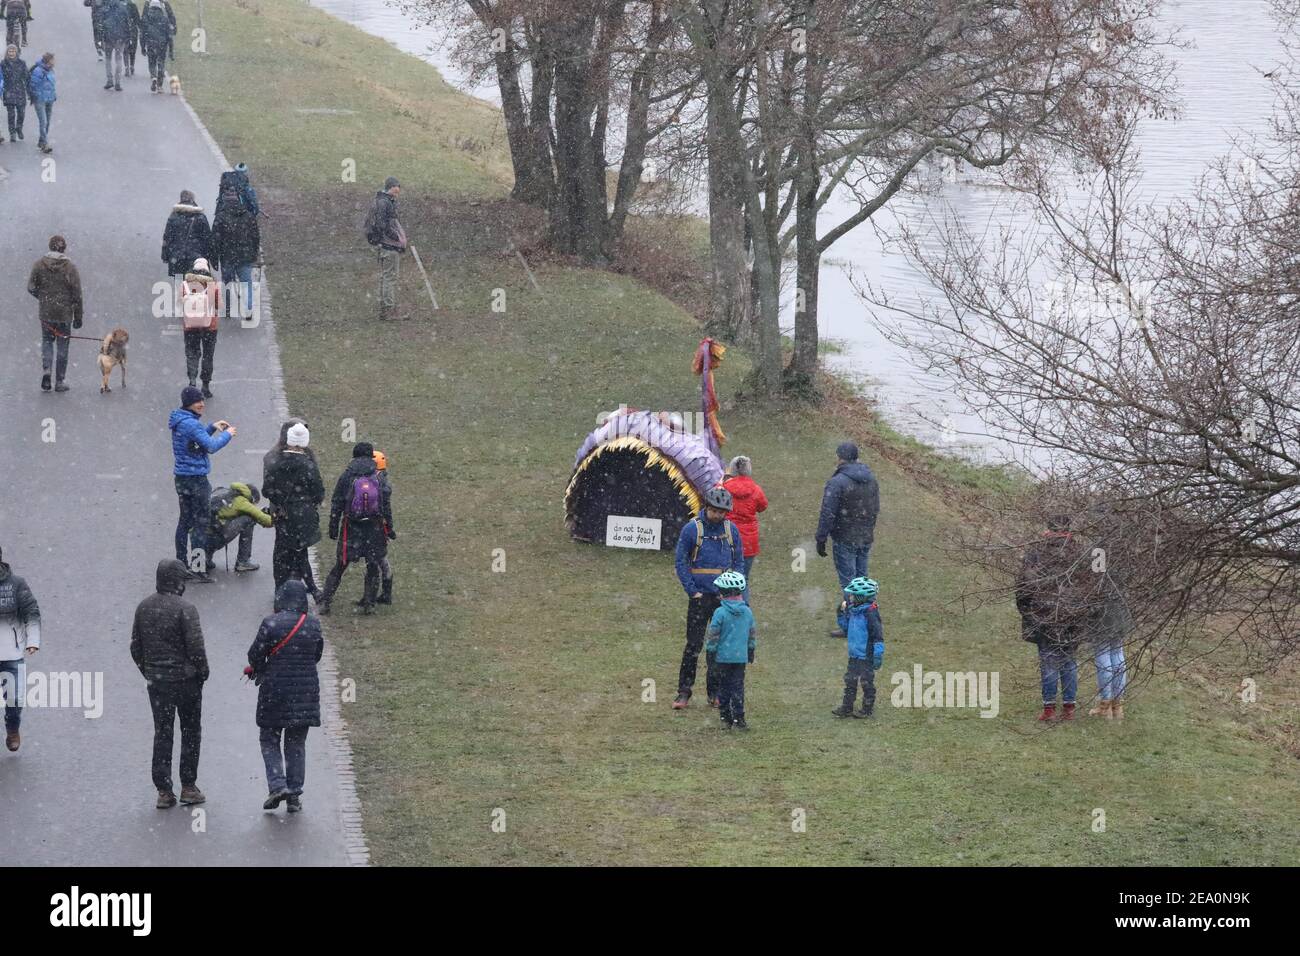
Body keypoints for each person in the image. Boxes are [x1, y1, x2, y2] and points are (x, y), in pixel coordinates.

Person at [130, 559, 208, 808]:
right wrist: (202, 672)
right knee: (191, 731)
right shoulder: (186, 608)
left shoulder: (143, 607)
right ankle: (188, 786)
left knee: (163, 733)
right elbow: (196, 648)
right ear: (177, 581)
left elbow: (135, 647)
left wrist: (149, 671)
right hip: (186, 681)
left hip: (158, 683)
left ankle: (164, 790)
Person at [247, 580, 323, 813]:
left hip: (274, 692)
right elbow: (316, 656)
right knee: (296, 743)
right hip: (305, 694)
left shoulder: (271, 623)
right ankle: (294, 795)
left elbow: (254, 655)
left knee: (269, 738)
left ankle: (277, 784)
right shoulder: (313, 625)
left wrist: (259, 667)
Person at [671, 486, 744, 710]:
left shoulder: (732, 531)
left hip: (723, 600)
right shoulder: (691, 530)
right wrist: (693, 591)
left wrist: (734, 592)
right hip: (699, 598)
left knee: (718, 647)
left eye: (723, 512)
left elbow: (739, 562)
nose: (719, 516)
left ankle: (715, 693)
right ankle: (684, 692)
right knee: (693, 645)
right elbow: (681, 562)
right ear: (706, 507)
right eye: (715, 511)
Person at [1016, 514, 1088, 721]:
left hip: (1043, 614)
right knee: (1068, 661)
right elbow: (1091, 585)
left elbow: (1023, 584)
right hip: (1073, 615)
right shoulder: (1081, 552)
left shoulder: (1035, 553)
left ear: (1048, 530)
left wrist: (1026, 610)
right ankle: (1069, 708)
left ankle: (1049, 709)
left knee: (1048, 660)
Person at [169, 385, 235, 582]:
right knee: (199, 524)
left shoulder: (180, 420)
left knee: (184, 521)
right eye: (199, 401)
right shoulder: (191, 425)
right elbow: (210, 446)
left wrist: (212, 428)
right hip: (197, 480)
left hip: (181, 478)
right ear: (189, 403)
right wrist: (227, 434)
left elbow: (194, 443)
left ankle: (181, 564)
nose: (202, 405)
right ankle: (198, 567)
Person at [318, 442, 393, 615]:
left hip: (350, 527)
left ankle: (326, 602)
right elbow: (385, 505)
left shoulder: (347, 475)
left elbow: (337, 502)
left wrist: (333, 527)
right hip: (374, 527)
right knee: (373, 566)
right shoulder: (377, 476)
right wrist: (389, 528)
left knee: (340, 565)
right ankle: (369, 604)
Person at [815, 441, 881, 637]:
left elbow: (828, 512)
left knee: (849, 583)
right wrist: (868, 529)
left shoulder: (837, 482)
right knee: (863, 580)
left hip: (845, 537)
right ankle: (869, 620)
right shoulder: (871, 479)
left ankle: (854, 625)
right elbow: (875, 508)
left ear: (840, 458)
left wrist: (821, 538)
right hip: (865, 536)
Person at [263, 422, 324, 600]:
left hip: (283, 514)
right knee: (300, 551)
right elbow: (318, 493)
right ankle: (312, 589)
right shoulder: (309, 465)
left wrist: (279, 501)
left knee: (281, 553)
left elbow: (267, 490)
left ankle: (280, 589)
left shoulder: (273, 460)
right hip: (304, 515)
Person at [26, 234, 83, 393]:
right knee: (63, 346)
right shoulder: (70, 267)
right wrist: (78, 316)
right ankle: (59, 381)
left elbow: (30, 287)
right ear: (64, 248)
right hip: (64, 314)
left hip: (46, 313)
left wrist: (42, 297)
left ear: (50, 247)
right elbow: (77, 293)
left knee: (47, 342)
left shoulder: (39, 265)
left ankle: (46, 370)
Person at [0, 545, 41, 753]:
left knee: (14, 699)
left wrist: (33, 640)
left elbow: (31, 611)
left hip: (11, 653)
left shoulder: (16, 585)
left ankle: (13, 729)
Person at [704, 571, 755, 730]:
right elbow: (751, 633)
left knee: (724, 688)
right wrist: (751, 649)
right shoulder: (747, 611)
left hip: (722, 658)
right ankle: (740, 718)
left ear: (724, 593)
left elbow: (713, 636)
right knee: (738, 687)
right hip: (740, 658)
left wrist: (710, 652)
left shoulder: (720, 612)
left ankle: (726, 717)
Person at [831, 577, 883, 719]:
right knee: (850, 681)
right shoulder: (854, 611)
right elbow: (846, 629)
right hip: (854, 655)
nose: (850, 597)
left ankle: (867, 709)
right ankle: (847, 708)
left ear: (862, 597)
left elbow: (878, 636)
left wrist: (878, 654)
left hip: (866, 656)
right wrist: (840, 614)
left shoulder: (870, 614)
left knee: (867, 683)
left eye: (853, 595)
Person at [211, 180, 260, 320]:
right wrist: (254, 253)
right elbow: (255, 237)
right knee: (246, 284)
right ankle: (248, 309)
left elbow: (215, 240)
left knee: (227, 283)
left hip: (227, 257)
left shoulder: (220, 217)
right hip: (245, 256)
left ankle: (227, 309)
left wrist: (214, 259)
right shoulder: (248, 216)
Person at [722, 455, 767, 604]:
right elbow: (762, 506)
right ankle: (744, 614)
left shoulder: (724, 488)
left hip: (728, 537)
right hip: (749, 541)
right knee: (743, 579)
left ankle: (726, 610)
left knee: (725, 576)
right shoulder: (756, 489)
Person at [364, 176, 408, 320]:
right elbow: (384, 225)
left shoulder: (379, 201)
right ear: (390, 187)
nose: (397, 193)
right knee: (390, 278)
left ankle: (385, 310)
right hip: (389, 246)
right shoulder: (386, 203)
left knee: (385, 278)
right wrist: (397, 238)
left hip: (382, 246)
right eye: (395, 190)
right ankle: (389, 310)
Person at [1087, 576, 1131, 720]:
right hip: (1120, 604)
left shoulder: (1098, 553)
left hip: (1104, 609)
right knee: (1117, 652)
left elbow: (1096, 581)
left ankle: (1105, 706)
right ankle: (1117, 706)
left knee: (1103, 652)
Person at [205, 482, 271, 574]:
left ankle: (206, 557)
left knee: (217, 522)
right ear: (251, 498)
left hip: (200, 537)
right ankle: (243, 562)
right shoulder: (242, 501)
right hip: (215, 538)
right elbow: (266, 521)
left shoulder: (223, 491)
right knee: (249, 519)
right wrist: (278, 518)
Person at [179, 256, 220, 395]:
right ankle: (206, 385)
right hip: (210, 326)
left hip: (190, 326)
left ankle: (192, 380)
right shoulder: (212, 285)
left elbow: (180, 303)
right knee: (208, 355)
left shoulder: (185, 284)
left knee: (192, 353)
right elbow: (219, 305)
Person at [162, 189, 212, 277]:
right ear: (193, 199)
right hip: (196, 257)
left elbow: (167, 237)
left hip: (177, 257)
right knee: (195, 284)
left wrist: (165, 256)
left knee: (179, 283)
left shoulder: (174, 216)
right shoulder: (200, 216)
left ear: (181, 199)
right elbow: (207, 238)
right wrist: (207, 256)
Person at [372, 450, 396, 605]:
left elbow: (386, 509)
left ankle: (381, 595)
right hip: (380, 526)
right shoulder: (384, 482)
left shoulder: (375, 482)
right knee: (380, 559)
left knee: (378, 560)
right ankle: (385, 594)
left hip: (375, 526)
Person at [139, 0, 168, 93]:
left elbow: (142, 34)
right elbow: (169, 35)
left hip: (150, 43)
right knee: (161, 63)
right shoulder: (164, 18)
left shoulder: (146, 18)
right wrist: (170, 49)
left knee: (152, 62)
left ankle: (153, 77)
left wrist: (143, 46)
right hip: (162, 45)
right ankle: (160, 85)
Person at [100, 0, 129, 91]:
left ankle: (109, 80)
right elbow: (127, 24)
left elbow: (102, 25)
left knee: (108, 59)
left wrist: (102, 38)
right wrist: (127, 37)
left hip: (108, 37)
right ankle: (117, 82)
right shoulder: (123, 9)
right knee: (119, 59)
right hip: (120, 38)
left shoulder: (105, 9)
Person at [26, 50, 52, 153]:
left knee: (47, 122)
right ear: (48, 61)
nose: (55, 62)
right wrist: (35, 96)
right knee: (43, 121)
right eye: (53, 60)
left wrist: (53, 96)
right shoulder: (38, 71)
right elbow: (33, 85)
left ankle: (41, 141)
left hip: (49, 99)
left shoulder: (50, 70)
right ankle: (44, 144)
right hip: (40, 100)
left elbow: (51, 85)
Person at [1, 44, 28, 144]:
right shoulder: (3, 64)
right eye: (9, 51)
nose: (11, 53)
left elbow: (26, 77)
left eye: (13, 51)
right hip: (8, 91)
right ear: (7, 53)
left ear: (16, 52)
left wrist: (29, 91)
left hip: (20, 91)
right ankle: (12, 133)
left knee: (21, 113)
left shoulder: (22, 63)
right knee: (11, 115)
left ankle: (19, 128)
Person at [123, 0, 139, 77]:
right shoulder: (133, 5)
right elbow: (137, 19)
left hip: (123, 29)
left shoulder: (121, 5)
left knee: (125, 49)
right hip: (133, 30)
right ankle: (132, 65)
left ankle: (126, 67)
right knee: (133, 49)